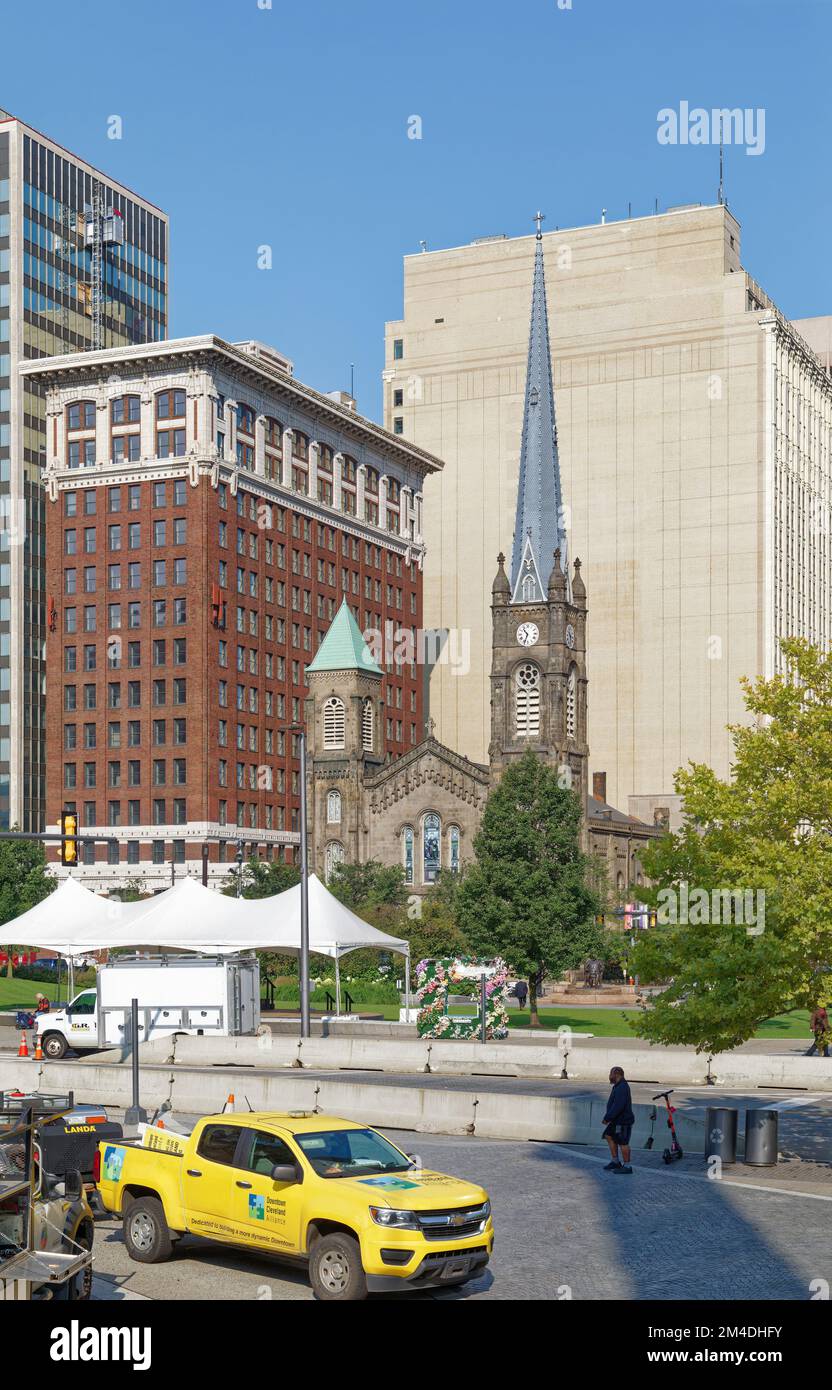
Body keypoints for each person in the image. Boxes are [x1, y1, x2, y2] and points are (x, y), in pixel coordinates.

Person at [603, 1065, 635, 1174]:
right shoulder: (617, 1086)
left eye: (611, 1074)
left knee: (623, 1142)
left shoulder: (622, 1087)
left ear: (617, 1074)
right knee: (609, 1135)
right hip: (616, 1120)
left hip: (623, 1121)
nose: (609, 1076)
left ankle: (627, 1166)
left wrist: (608, 1118)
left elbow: (618, 1105)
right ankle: (615, 1161)